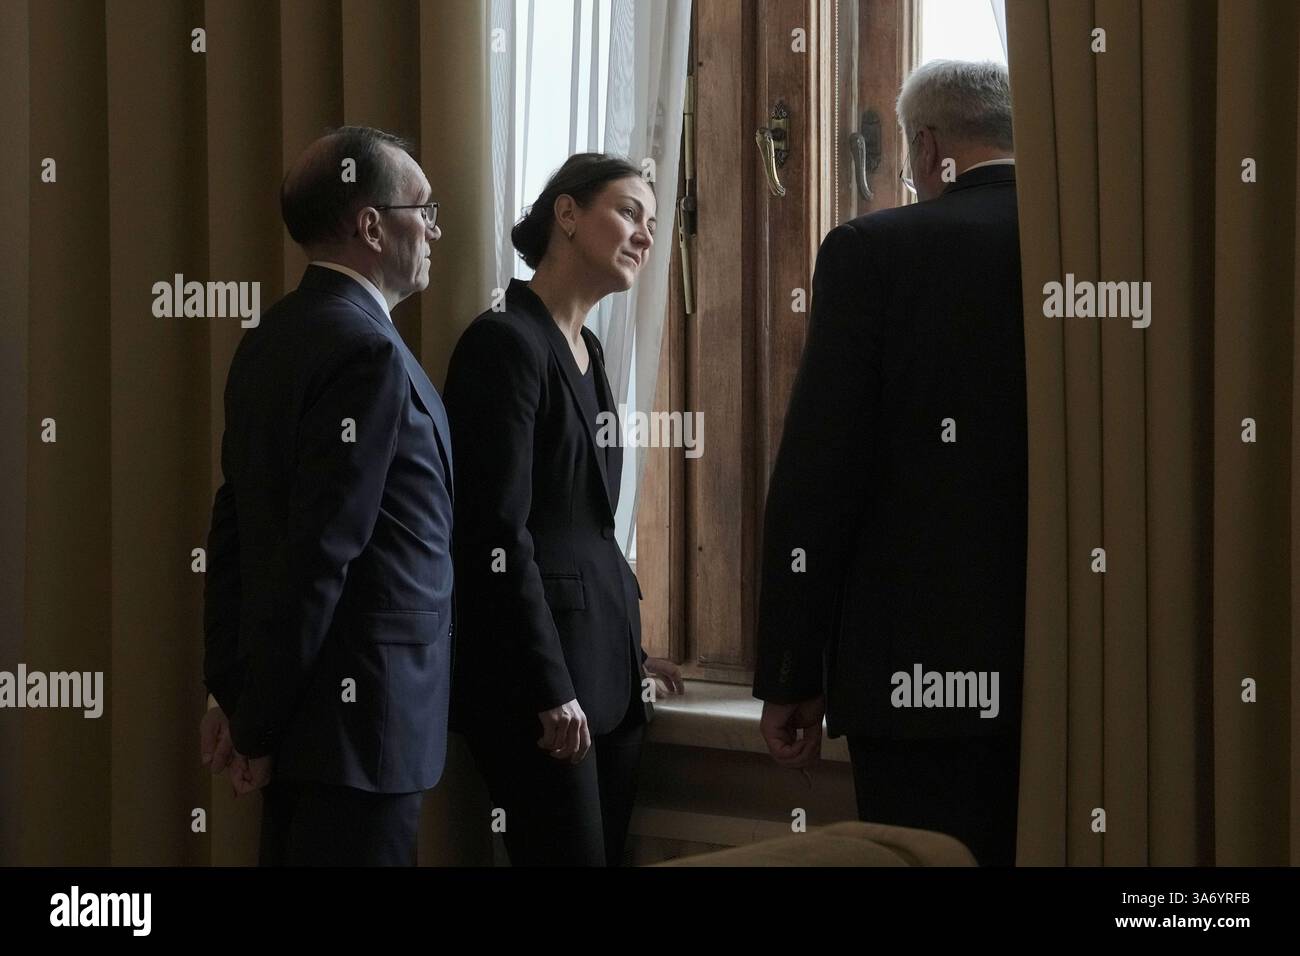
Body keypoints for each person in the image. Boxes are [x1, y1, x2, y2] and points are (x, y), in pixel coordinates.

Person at [753, 60, 1026, 867]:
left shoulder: (874, 251)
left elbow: (820, 471)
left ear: (929, 143)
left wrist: (792, 668)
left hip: (919, 677)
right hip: (1081, 668)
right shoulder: (1097, 244)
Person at [199, 125, 455, 866]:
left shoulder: (267, 337)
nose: (436, 229)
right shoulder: (368, 350)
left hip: (310, 720)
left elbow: (234, 528)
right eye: (425, 209)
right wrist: (256, 722)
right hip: (363, 727)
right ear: (372, 226)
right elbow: (322, 554)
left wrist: (238, 696)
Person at [444, 153, 683, 866]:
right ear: (568, 215)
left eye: (652, 222)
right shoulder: (503, 342)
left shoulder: (593, 350)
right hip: (541, 688)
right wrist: (547, 684)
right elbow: (494, 534)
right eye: (628, 212)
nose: (644, 234)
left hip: (608, 676)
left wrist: (632, 652)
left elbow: (589, 527)